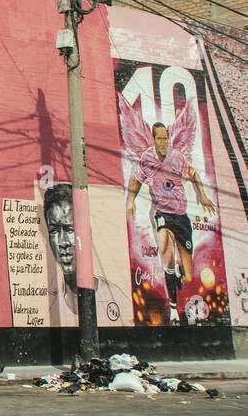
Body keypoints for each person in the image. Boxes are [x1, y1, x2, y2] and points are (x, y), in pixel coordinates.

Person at [125, 121, 214, 325]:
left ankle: (179, 275)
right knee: (166, 250)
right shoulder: (147, 158)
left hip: (181, 216)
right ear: (154, 139)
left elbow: (194, 174)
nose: (163, 141)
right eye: (160, 138)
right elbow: (136, 179)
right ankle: (173, 310)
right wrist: (131, 200)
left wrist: (202, 195)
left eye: (166, 138)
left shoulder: (177, 158)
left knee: (188, 272)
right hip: (162, 213)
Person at [42, 184, 126, 325]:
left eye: (69, 229)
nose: (63, 242)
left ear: (87, 233)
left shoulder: (116, 300)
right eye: (54, 231)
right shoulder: (47, 304)